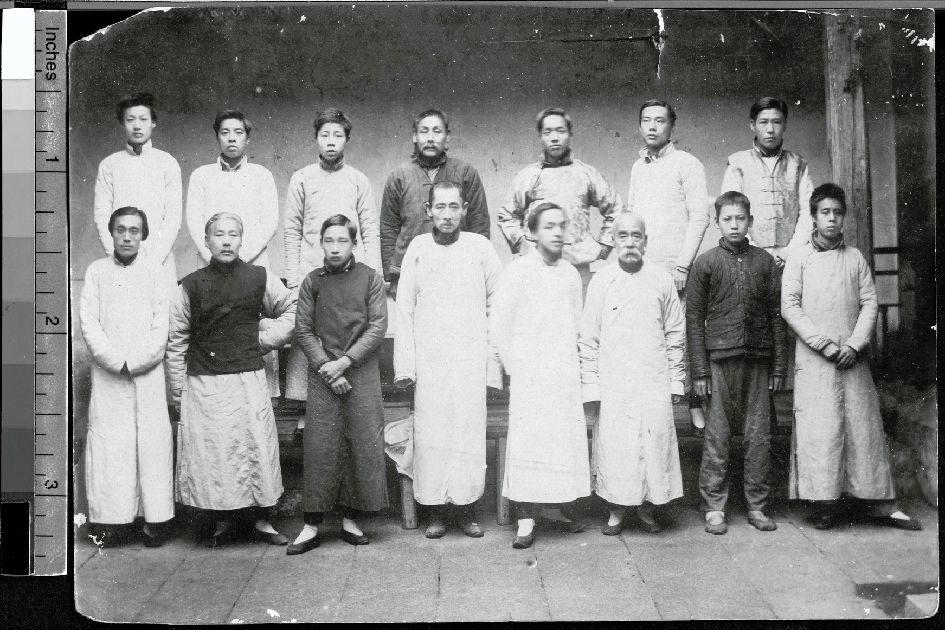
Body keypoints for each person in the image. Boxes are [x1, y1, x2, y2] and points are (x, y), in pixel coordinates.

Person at [781, 183, 921, 531]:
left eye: (837, 212)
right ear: (813, 217)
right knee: (822, 429)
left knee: (863, 427)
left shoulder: (855, 257)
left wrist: (855, 344)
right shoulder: (798, 258)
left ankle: (880, 504)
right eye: (824, 212)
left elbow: (870, 302)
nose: (831, 219)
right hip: (816, 359)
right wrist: (825, 345)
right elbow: (790, 306)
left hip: (852, 359)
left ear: (844, 217)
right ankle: (825, 504)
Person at [167, 212, 297, 546]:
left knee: (251, 448)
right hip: (205, 384)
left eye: (233, 234)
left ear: (242, 239)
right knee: (216, 454)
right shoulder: (190, 285)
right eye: (219, 234)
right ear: (206, 240)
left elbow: (292, 310)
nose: (226, 241)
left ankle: (259, 519)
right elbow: (178, 339)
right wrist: (179, 391)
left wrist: (264, 340)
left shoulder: (259, 277)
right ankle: (222, 519)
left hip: (247, 380)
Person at [394, 181, 502, 539]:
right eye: (440, 207)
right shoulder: (418, 248)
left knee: (467, 435)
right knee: (432, 435)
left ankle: (467, 508)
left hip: (469, 360)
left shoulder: (480, 248)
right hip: (430, 363)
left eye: (454, 207)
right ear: (428, 211)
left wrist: (491, 366)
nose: (447, 214)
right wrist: (406, 367)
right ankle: (436, 511)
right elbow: (405, 310)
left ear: (464, 211)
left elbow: (496, 307)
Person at [491, 202, 591, 550]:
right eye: (549, 226)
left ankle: (558, 507)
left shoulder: (570, 275)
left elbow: (577, 326)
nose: (558, 233)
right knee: (530, 443)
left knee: (561, 441)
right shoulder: (518, 272)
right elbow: (500, 326)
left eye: (562, 225)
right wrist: (516, 368)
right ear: (532, 233)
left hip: (562, 372)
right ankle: (525, 516)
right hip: (530, 374)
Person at [579, 213, 686, 535]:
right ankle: (616, 509)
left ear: (645, 241)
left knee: (652, 446)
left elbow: (675, 333)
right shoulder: (602, 281)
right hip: (615, 382)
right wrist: (592, 386)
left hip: (653, 378)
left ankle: (648, 508)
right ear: (613, 240)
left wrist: (676, 380)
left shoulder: (661, 279)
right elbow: (589, 338)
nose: (629, 242)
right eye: (622, 235)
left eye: (636, 236)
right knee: (617, 447)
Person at [288, 215, 389, 555]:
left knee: (360, 442)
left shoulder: (371, 279)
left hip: (360, 371)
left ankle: (350, 520)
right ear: (321, 244)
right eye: (328, 241)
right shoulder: (312, 281)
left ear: (353, 243)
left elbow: (377, 327)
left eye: (341, 241)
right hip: (323, 374)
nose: (334, 248)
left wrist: (345, 363)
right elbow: (302, 329)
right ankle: (311, 524)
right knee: (321, 445)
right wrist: (326, 366)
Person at [686, 192, 786, 535]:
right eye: (727, 219)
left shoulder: (764, 262)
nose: (733, 225)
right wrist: (699, 372)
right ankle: (714, 506)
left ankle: (757, 506)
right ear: (717, 222)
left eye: (740, 219)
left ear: (750, 222)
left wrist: (778, 367)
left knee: (759, 437)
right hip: (717, 364)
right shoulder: (706, 263)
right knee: (717, 437)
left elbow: (777, 317)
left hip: (757, 362)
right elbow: (694, 320)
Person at [80, 207, 174, 548]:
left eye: (135, 230)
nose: (128, 236)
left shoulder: (155, 273)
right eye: (121, 230)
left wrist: (136, 362)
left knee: (150, 446)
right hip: (109, 378)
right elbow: (89, 323)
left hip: (147, 376)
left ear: (144, 235)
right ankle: (112, 521)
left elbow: (160, 326)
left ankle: (154, 521)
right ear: (112, 233)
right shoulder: (96, 272)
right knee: (112, 446)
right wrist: (115, 361)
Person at [284, 108, 381, 436]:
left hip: (351, 276)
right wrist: (295, 279)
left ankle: (349, 413)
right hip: (314, 273)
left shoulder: (358, 180)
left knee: (349, 334)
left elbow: (369, 228)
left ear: (346, 140)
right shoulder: (302, 178)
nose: (330, 142)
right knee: (309, 339)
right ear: (315, 139)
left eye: (337, 135)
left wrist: (374, 274)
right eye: (324, 135)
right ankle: (307, 418)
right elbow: (292, 231)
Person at [626, 99, 711, 429]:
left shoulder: (687, 165)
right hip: (643, 266)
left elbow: (700, 217)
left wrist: (682, 266)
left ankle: (694, 402)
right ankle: (649, 407)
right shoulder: (638, 168)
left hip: (676, 267)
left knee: (683, 335)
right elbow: (632, 217)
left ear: (671, 126)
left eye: (659, 121)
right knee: (646, 335)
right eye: (646, 120)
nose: (651, 127)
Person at [185, 110, 281, 398]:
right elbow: (194, 220)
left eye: (238, 132)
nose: (231, 138)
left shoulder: (261, 175)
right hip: (212, 266)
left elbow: (270, 221)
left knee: (254, 325)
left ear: (247, 138)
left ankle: (263, 403)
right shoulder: (201, 176)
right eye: (225, 132)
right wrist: (218, 257)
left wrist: (242, 259)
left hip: (252, 265)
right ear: (217, 136)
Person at [496, 107, 622, 293]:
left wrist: (604, 246)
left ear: (570, 134)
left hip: (578, 269)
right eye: (548, 132)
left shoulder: (586, 174)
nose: (554, 138)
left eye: (560, 131)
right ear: (541, 136)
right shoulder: (528, 176)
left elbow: (615, 208)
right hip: (537, 270)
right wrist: (523, 245)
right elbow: (507, 214)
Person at [380, 108, 490, 297]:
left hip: (458, 268)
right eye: (424, 131)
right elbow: (389, 228)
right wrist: (392, 274)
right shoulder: (398, 176)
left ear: (447, 138)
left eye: (437, 131)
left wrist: (478, 269)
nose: (430, 138)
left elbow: (479, 224)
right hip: (410, 268)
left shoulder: (465, 173)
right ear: (415, 136)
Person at [93, 92, 182, 292]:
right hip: (120, 260)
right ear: (122, 123)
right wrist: (117, 257)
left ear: (153, 123)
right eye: (130, 119)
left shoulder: (167, 163)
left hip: (160, 261)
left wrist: (153, 263)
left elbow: (173, 219)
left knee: (161, 318)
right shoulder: (109, 165)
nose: (137, 125)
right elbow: (102, 216)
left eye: (143, 119)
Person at [720, 97, 815, 266]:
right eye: (763, 122)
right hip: (746, 256)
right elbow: (730, 212)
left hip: (791, 256)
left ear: (784, 125)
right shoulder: (737, 164)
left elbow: (808, 211)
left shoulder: (798, 164)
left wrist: (790, 252)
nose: (770, 129)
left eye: (777, 122)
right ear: (752, 125)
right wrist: (755, 252)